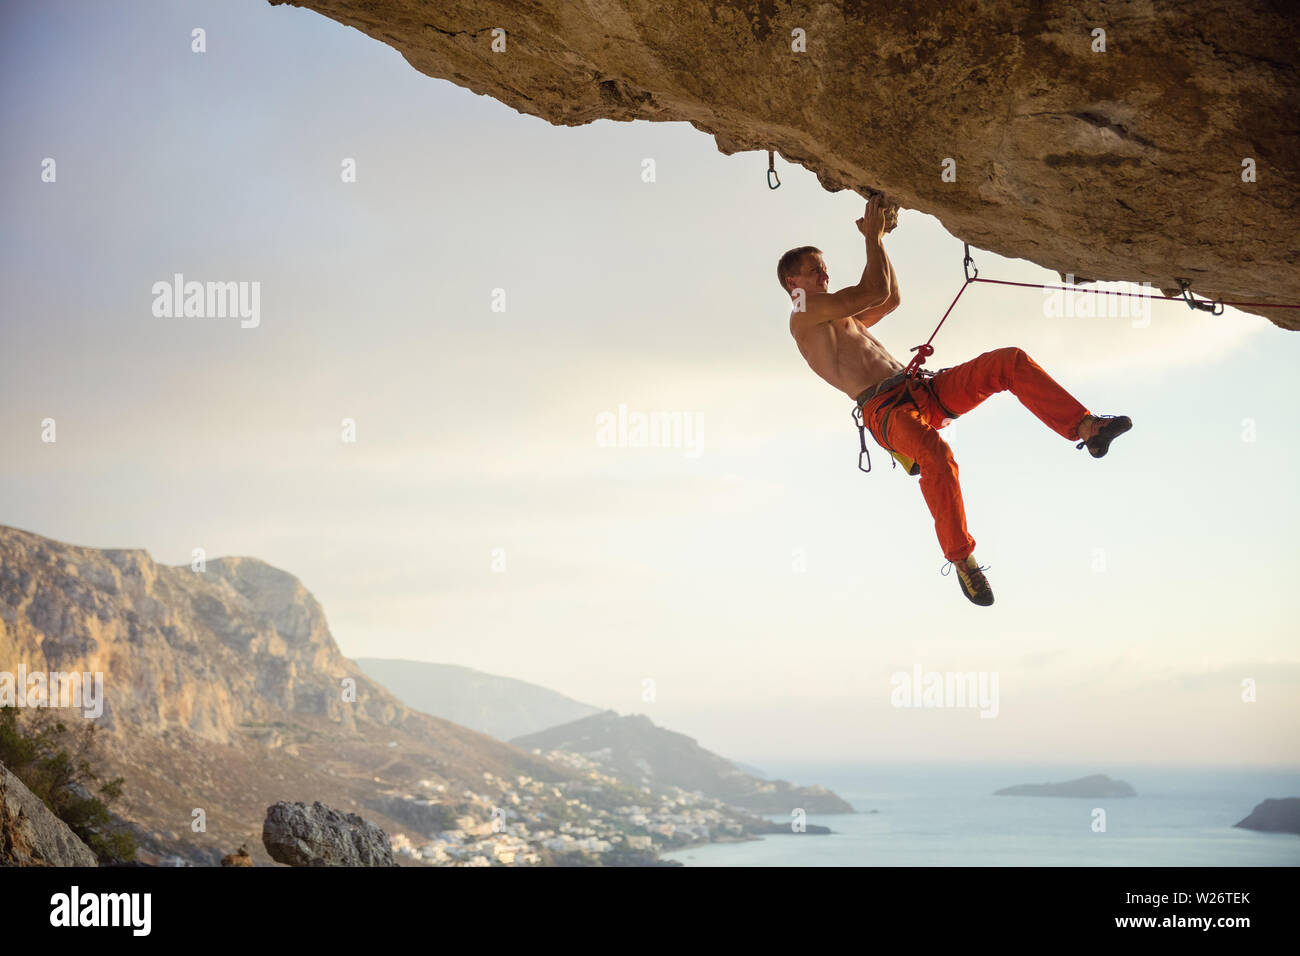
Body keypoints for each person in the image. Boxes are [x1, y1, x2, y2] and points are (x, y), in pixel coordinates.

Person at [779, 195, 1132, 606]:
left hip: (920, 389)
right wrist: (871, 238)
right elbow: (872, 287)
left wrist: (881, 243)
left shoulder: (838, 318)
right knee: (936, 455)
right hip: (888, 412)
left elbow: (888, 297)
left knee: (1008, 363)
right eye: (813, 268)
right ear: (793, 284)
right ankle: (963, 561)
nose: (823, 272)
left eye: (823, 266)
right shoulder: (804, 312)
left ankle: (1087, 428)